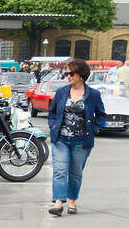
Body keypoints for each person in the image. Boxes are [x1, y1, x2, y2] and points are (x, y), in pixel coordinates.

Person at [45, 58, 106, 216]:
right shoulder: (61, 92)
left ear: (81, 74)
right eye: (67, 73)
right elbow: (52, 113)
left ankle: (72, 200)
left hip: (81, 141)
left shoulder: (93, 94)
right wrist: (52, 126)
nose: (68, 76)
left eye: (71, 73)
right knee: (59, 171)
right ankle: (58, 203)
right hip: (61, 139)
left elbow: (101, 115)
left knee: (76, 173)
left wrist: (95, 129)